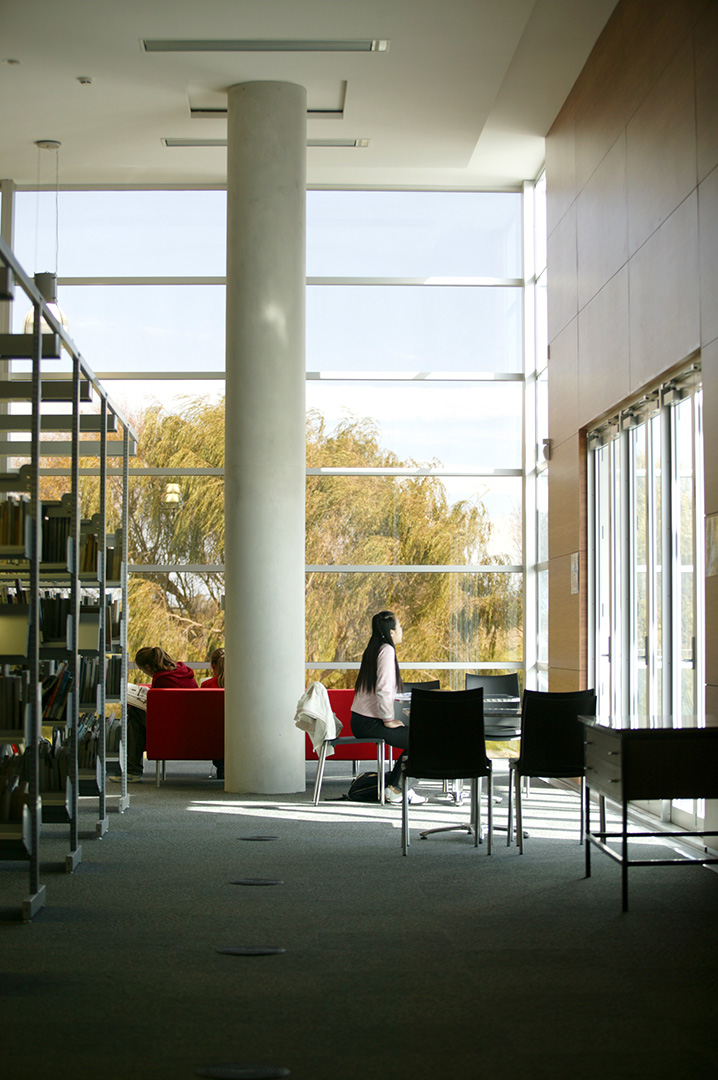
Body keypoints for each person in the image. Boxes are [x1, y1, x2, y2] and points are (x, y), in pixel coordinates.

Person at [351, 610, 426, 805]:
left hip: (360, 720)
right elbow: (383, 689)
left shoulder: (373, 648)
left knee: (417, 739)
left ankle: (397, 788)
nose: (402, 630)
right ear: (391, 632)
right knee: (422, 740)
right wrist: (388, 720)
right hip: (370, 722)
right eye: (400, 627)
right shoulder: (386, 650)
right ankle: (398, 788)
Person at [115, 646, 197, 782]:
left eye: (142, 670)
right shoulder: (182, 671)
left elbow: (163, 712)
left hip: (177, 727)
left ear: (148, 667)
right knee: (134, 720)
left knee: (134, 717)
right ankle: (132, 770)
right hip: (187, 720)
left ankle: (133, 770)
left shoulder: (164, 680)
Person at [201, 646, 225, 780]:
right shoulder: (240, 684)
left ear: (212, 665)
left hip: (212, 732)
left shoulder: (207, 685)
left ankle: (221, 768)